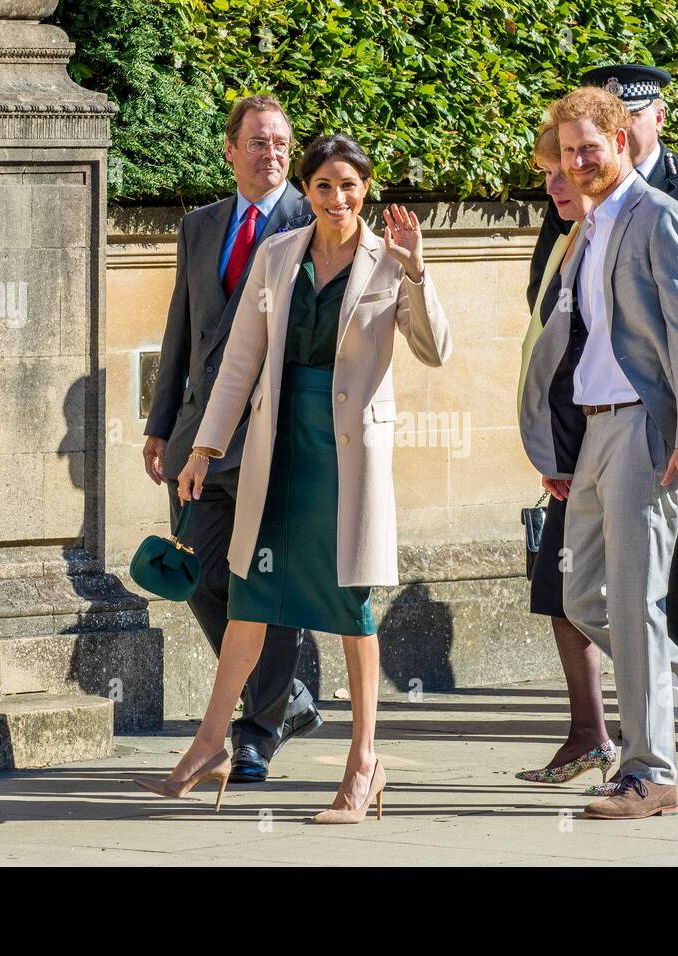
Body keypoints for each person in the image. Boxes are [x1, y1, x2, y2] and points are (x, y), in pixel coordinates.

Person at [134, 134, 452, 822]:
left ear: (367, 188)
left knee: (350, 610)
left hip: (345, 457)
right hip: (273, 449)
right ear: (306, 192)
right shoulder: (279, 255)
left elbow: (434, 350)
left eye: (350, 186)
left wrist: (418, 272)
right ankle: (209, 746)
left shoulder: (389, 257)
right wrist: (205, 448)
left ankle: (365, 765)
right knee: (249, 598)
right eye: (325, 187)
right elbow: (240, 360)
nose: (339, 199)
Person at [520, 87, 678, 821]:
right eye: (566, 151)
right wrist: (556, 442)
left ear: (621, 140)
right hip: (595, 433)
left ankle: (648, 772)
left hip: (644, 432)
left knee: (633, 600)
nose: (577, 161)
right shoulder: (588, 228)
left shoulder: (659, 216)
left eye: (588, 146)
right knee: (582, 596)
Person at [141, 94, 321, 785]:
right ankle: (290, 697)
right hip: (197, 436)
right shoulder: (200, 225)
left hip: (276, 439)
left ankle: (257, 732)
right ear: (231, 151)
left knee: (263, 586)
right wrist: (161, 425)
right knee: (191, 573)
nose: (272, 153)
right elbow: (179, 331)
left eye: (281, 142)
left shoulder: (315, 222)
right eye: (258, 142)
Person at [514, 123, 615, 786]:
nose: (554, 186)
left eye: (564, 171)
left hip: (608, 448)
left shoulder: (615, 233)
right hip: (569, 453)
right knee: (560, 591)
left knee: (599, 598)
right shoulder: (565, 238)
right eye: (547, 174)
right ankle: (588, 732)